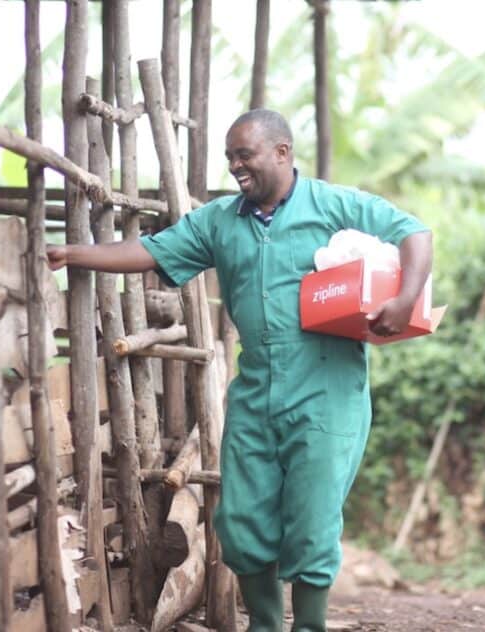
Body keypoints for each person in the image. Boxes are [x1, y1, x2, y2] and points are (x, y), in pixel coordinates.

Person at [47, 109, 432, 632]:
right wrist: (76, 253)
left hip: (328, 391)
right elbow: (151, 250)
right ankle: (265, 626)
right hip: (255, 393)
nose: (235, 166)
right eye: (230, 156)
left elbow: (413, 231)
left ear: (282, 152)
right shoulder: (221, 220)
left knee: (312, 519)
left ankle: (309, 626)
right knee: (243, 519)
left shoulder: (333, 205)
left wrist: (405, 299)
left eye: (244, 154)